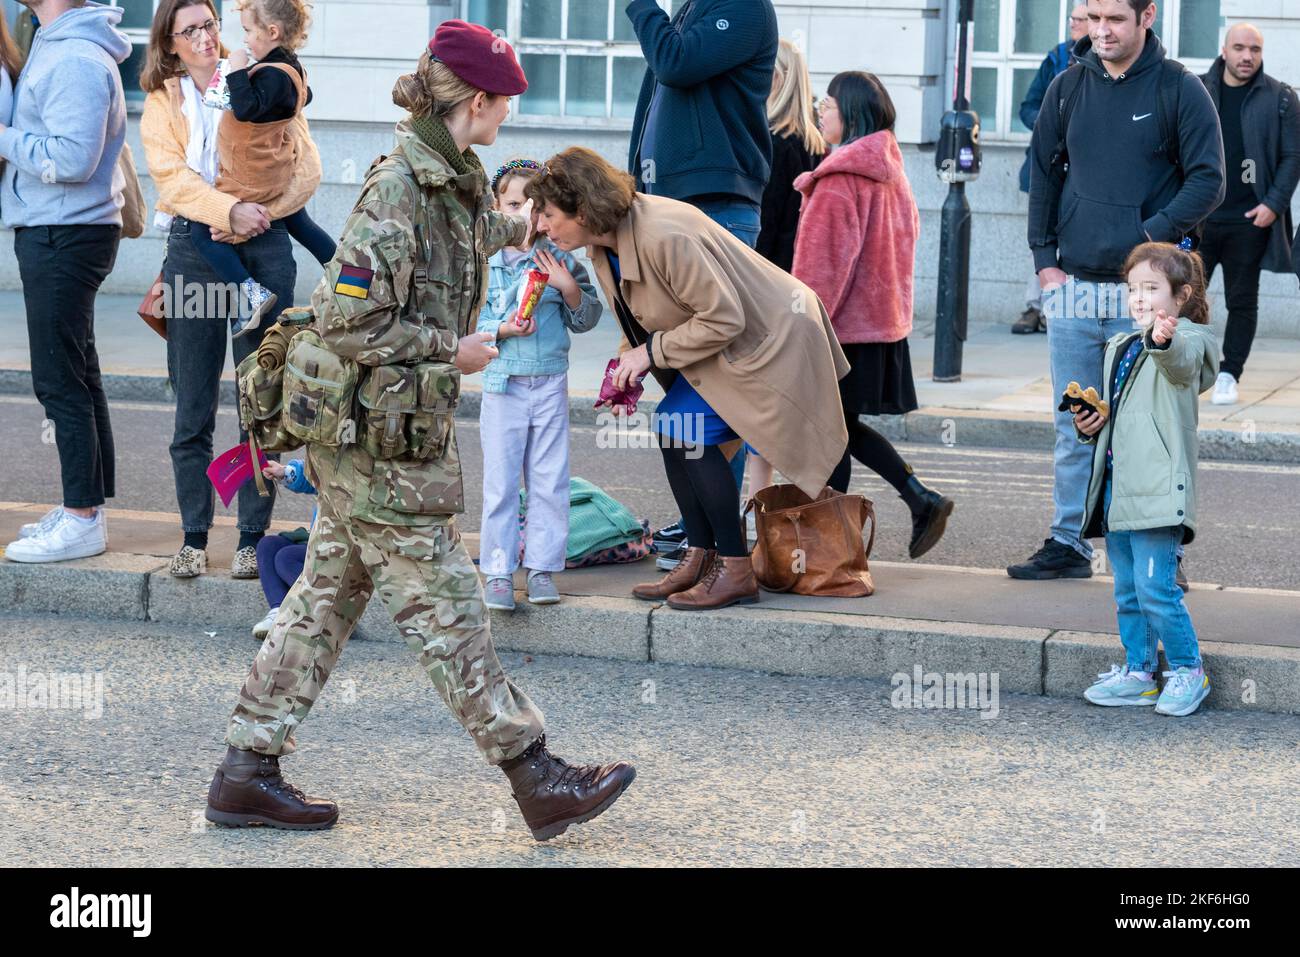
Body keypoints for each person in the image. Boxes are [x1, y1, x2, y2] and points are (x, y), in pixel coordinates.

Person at [205, 23, 635, 841]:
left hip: (390, 436)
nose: (507, 117)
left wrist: (532, 228)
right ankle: (535, 773)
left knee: (323, 601)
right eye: (506, 104)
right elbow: (343, 321)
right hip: (374, 449)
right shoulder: (398, 188)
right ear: (477, 102)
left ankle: (244, 770)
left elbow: (470, 238)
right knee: (448, 606)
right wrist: (454, 349)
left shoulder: (454, 176)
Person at [528, 147, 850, 611]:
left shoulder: (664, 234)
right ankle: (701, 556)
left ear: (583, 209)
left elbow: (724, 318)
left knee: (685, 430)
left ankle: (736, 569)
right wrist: (626, 369)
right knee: (674, 428)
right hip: (731, 341)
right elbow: (634, 317)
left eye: (549, 214)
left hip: (772, 339)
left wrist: (649, 354)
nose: (541, 225)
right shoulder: (603, 240)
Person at [1017, 0, 1224, 583]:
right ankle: (1069, 542)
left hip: (1149, 296)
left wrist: (1147, 239)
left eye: (1115, 19)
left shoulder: (1180, 89)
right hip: (1075, 289)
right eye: (1093, 16)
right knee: (1078, 419)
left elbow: (1210, 179)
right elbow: (1044, 170)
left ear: (1147, 17)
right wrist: (1043, 261)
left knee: (1148, 428)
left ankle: (1163, 554)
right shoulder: (1067, 86)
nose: (1100, 30)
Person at [140, 0, 320, 581]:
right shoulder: (163, 102)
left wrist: (259, 213)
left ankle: (250, 537)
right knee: (193, 402)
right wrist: (229, 210)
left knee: (258, 403)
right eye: (189, 30)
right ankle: (194, 536)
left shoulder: (260, 74)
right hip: (195, 255)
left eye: (211, 25)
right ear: (169, 43)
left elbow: (304, 165)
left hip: (263, 249)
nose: (205, 37)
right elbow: (171, 181)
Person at [625, 0, 779, 569]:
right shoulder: (692, 7)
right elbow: (657, 96)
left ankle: (720, 548)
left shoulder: (741, 6)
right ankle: (705, 538)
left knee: (716, 386)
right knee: (690, 389)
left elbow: (675, 64)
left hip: (716, 207)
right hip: (669, 205)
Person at [792, 72, 953, 559]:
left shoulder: (840, 180)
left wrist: (800, 330)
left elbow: (821, 272)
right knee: (840, 430)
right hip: (880, 327)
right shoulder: (890, 173)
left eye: (829, 104)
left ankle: (832, 547)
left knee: (829, 434)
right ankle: (915, 500)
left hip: (839, 331)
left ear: (853, 113)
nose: (821, 111)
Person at [0, 0, 130, 565]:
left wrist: (2, 138)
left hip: (63, 231)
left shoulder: (74, 56)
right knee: (78, 368)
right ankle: (86, 506)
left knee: (58, 378)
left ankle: (81, 519)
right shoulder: (55, 44)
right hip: (60, 227)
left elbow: (74, 159)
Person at [1076, 242, 1218, 717]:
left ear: (1180, 296)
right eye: (1133, 288)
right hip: (1118, 489)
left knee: (1158, 589)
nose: (1139, 298)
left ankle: (1187, 670)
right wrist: (1091, 422)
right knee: (1128, 590)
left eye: (1151, 288)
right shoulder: (1120, 345)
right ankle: (1139, 673)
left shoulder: (1190, 338)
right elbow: (1120, 417)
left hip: (1158, 489)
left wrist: (1163, 340)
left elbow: (1181, 364)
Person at [476, 158, 602, 613]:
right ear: (496, 206)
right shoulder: (485, 263)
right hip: (503, 382)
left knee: (549, 480)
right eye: (514, 204)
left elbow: (586, 318)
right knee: (502, 481)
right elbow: (472, 324)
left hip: (550, 381)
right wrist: (505, 327)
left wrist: (569, 288)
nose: (526, 216)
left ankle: (544, 567)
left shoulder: (561, 257)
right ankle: (497, 570)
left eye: (535, 207)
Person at [194, 0, 336, 337]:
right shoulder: (291, 70)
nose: (244, 39)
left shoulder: (271, 74)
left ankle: (249, 293)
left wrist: (238, 71)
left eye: (248, 31)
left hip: (252, 174)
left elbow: (246, 109)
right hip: (275, 168)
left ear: (272, 32)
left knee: (202, 231)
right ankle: (351, 276)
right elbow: (303, 97)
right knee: (299, 221)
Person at [1198, 23, 1300, 406]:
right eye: (1239, 48)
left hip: (1249, 221)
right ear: (1224, 50)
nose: (1247, 56)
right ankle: (1191, 370)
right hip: (1201, 219)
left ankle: (1228, 373)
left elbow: (1293, 155)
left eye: (1254, 49)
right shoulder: (1198, 90)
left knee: (1242, 300)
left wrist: (1274, 204)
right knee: (1187, 300)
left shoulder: (1281, 97)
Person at [747, 36, 825, 498]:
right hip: (801, 284)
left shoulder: (775, 143)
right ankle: (776, 511)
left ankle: (759, 508)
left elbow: (769, 225)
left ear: (775, 78)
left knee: (758, 404)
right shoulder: (815, 141)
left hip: (771, 286)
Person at [1012, 3, 1088, 335]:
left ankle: (1060, 308)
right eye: (1073, 19)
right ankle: (1034, 306)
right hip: (1048, 167)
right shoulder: (1057, 57)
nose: (1074, 24)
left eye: (1081, 19)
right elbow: (1028, 107)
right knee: (1040, 236)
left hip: (1082, 173)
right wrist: (1049, 128)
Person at [251, 458, 315, 641]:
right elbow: (316, 474)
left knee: (286, 558)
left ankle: (319, 613)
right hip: (318, 537)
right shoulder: (332, 451)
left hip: (345, 542)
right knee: (267, 545)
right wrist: (284, 472)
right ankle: (278, 612)